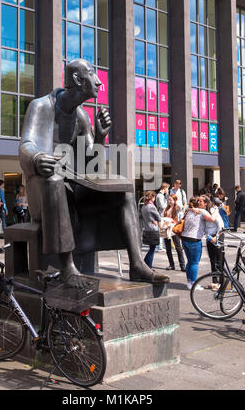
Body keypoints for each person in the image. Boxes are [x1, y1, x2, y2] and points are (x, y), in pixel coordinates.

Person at [19, 58, 168, 284]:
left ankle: (137, 264)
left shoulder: (81, 116)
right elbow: (27, 145)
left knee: (123, 191)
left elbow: (92, 163)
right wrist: (38, 158)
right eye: (92, 74)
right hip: (43, 192)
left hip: (74, 190)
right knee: (54, 179)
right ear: (78, 79)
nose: (99, 82)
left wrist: (100, 136)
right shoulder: (41, 106)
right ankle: (67, 267)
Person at [181, 196, 215, 290]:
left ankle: (189, 282)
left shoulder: (189, 211)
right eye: (199, 201)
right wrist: (216, 210)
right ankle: (194, 284)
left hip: (184, 238)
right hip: (194, 239)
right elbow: (212, 219)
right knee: (195, 263)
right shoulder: (202, 212)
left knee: (190, 262)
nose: (200, 202)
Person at [200, 195, 224, 290]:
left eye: (201, 201)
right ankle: (214, 281)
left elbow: (220, 225)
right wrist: (209, 237)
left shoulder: (213, 211)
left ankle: (221, 282)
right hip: (210, 238)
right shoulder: (203, 213)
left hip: (218, 235)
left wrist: (216, 237)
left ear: (205, 203)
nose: (199, 202)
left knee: (219, 260)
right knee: (212, 260)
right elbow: (202, 228)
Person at [161, 194, 186, 271]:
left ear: (175, 200)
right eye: (168, 200)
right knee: (168, 248)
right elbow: (162, 216)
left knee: (178, 247)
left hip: (174, 229)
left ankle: (182, 265)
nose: (169, 201)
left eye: (171, 200)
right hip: (167, 229)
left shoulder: (178, 208)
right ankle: (171, 264)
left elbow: (181, 218)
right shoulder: (166, 208)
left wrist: (173, 222)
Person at [141, 191, 161, 270]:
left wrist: (153, 219)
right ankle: (147, 266)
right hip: (153, 229)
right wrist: (155, 220)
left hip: (146, 229)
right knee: (152, 249)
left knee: (151, 248)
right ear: (152, 197)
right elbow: (159, 217)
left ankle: (146, 265)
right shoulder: (151, 206)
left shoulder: (144, 206)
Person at [155, 182, 169, 251]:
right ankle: (160, 246)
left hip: (161, 214)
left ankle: (161, 246)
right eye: (167, 188)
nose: (167, 190)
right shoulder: (160, 196)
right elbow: (162, 206)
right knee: (161, 230)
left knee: (162, 230)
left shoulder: (161, 195)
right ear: (164, 188)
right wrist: (167, 202)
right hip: (161, 214)